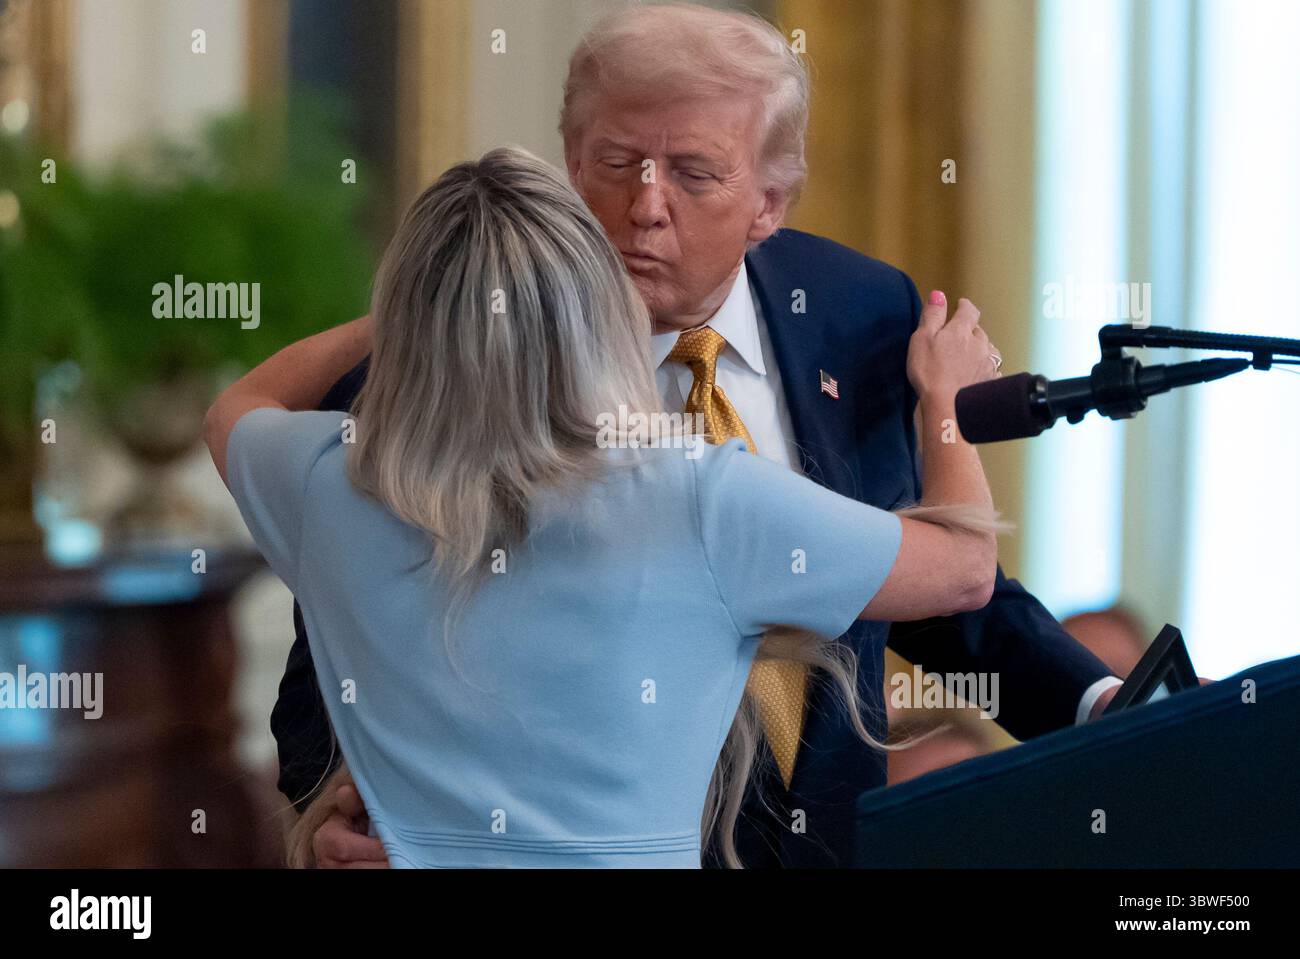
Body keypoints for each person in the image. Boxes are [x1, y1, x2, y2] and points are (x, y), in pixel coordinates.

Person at [277, 3, 1122, 869]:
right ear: (571, 162)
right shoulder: (457, 352)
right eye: (616, 163)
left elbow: (913, 574)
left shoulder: (859, 313)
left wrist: (1107, 705)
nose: (646, 206)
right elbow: (331, 666)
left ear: (769, 202)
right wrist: (341, 810)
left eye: (693, 174)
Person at [206, 146, 1002, 867]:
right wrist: (947, 403)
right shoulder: (700, 495)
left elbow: (242, 401)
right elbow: (964, 570)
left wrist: (438, 300)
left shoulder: (327, 481)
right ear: (591, 309)